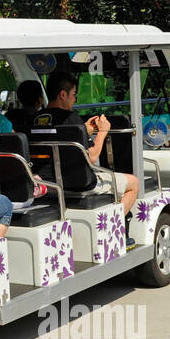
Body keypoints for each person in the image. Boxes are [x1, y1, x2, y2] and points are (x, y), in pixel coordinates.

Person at [35, 69, 139, 226]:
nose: (75, 100)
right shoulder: (72, 118)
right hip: (76, 183)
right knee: (134, 183)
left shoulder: (36, 119)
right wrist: (103, 131)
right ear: (63, 95)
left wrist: (83, 130)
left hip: (47, 183)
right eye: (74, 95)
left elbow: (60, 135)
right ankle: (114, 227)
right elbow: (92, 156)